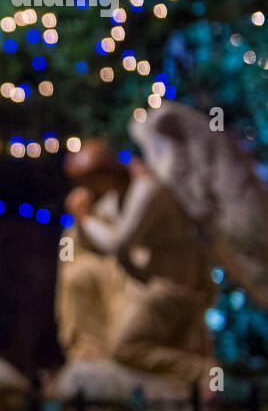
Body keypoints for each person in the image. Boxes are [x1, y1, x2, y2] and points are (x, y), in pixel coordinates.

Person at [57, 137, 215, 385]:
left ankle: (201, 370)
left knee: (124, 347)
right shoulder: (120, 192)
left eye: (89, 183)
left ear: (104, 176)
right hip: (144, 278)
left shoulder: (147, 188)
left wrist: (84, 217)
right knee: (77, 274)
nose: (87, 191)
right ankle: (87, 347)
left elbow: (118, 243)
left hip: (168, 285)